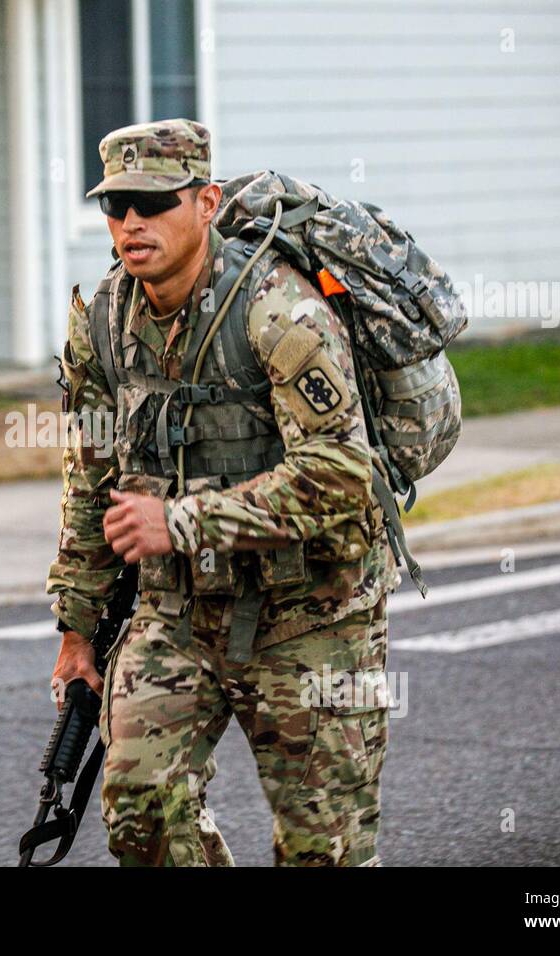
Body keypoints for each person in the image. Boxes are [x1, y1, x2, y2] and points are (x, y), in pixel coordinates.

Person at [46, 118, 398, 866]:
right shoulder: (105, 322)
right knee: (139, 813)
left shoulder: (279, 309)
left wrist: (181, 521)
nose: (132, 222)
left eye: (155, 201)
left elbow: (341, 470)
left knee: (323, 851)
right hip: (178, 612)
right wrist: (77, 631)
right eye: (116, 206)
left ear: (206, 203)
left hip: (311, 615)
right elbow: (91, 480)